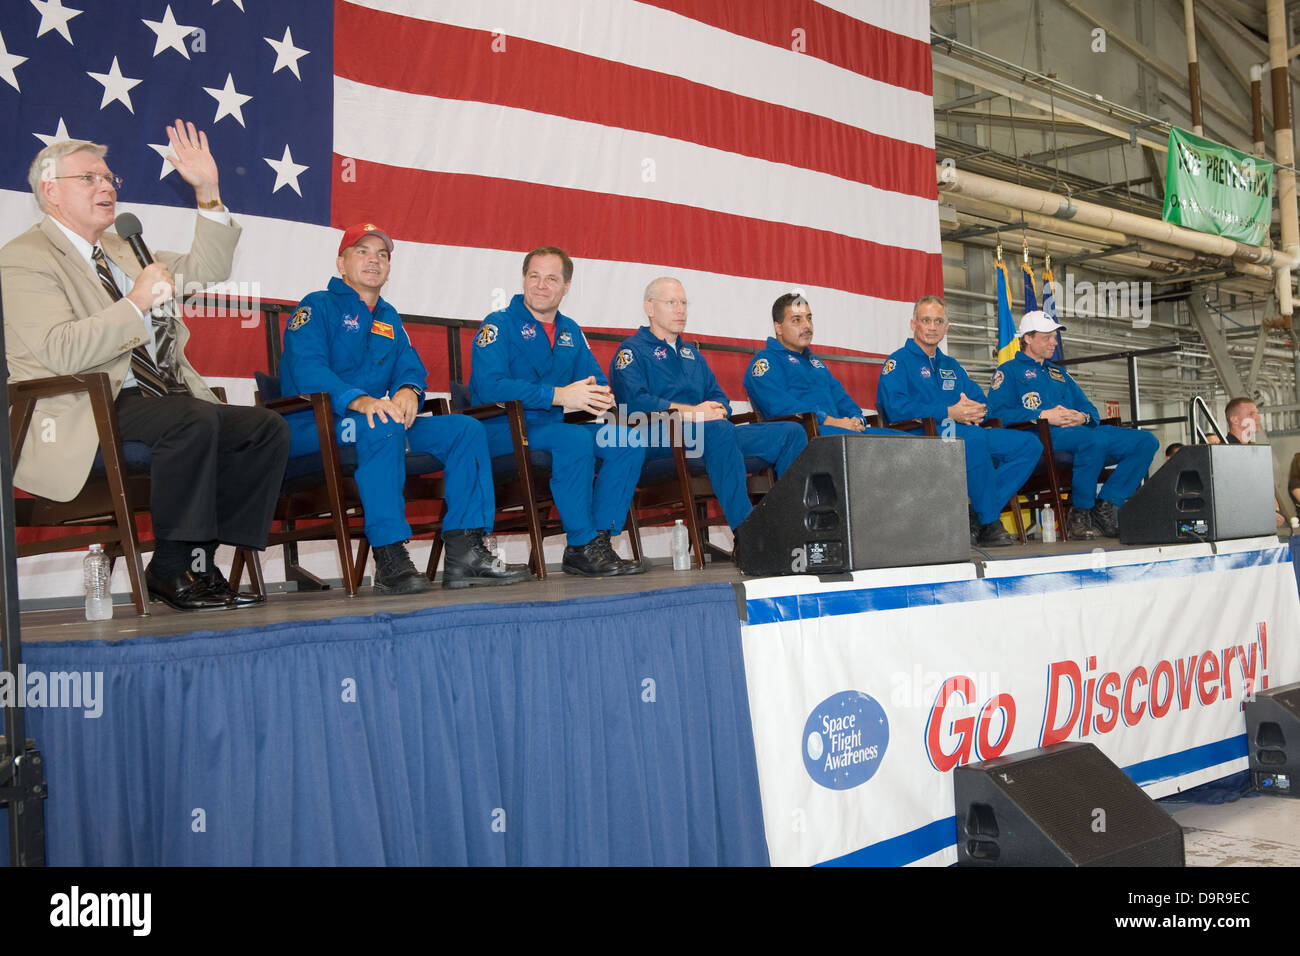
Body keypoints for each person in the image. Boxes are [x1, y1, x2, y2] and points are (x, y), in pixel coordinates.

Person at [0, 121, 289, 611]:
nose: (107, 186)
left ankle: (200, 561)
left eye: (110, 178)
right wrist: (135, 303)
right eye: (89, 178)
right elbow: (59, 352)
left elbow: (207, 269)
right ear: (50, 191)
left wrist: (209, 192)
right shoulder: (23, 259)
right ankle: (170, 568)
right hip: (84, 404)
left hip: (158, 401)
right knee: (191, 420)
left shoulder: (122, 249)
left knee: (263, 428)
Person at [280, 225, 530, 593]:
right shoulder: (317, 305)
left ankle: (466, 552)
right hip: (316, 424)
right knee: (382, 426)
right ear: (341, 263)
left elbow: (410, 367)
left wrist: (409, 391)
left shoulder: (387, 316)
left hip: (377, 422)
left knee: (465, 430)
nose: (374, 260)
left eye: (382, 255)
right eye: (362, 251)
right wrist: (358, 399)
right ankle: (390, 554)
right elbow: (308, 370)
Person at [469, 247, 646, 576]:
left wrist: (600, 395)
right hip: (504, 429)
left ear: (566, 286)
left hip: (553, 427)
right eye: (534, 276)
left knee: (628, 439)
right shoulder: (499, 324)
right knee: (575, 439)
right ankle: (581, 543)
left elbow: (598, 381)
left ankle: (599, 540)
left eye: (551, 278)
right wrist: (559, 395)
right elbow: (490, 386)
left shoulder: (570, 331)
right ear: (523, 279)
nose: (540, 285)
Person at [610, 278, 807, 532]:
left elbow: (718, 395)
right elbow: (635, 403)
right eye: (671, 303)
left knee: (790, 433)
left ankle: (792, 527)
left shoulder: (692, 354)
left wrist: (719, 409)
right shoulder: (632, 351)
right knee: (719, 431)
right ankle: (747, 533)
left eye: (683, 303)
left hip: (708, 435)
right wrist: (693, 414)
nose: (680, 309)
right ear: (650, 308)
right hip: (658, 437)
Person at [875, 296, 1042, 547]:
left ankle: (975, 515)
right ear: (913, 324)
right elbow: (897, 410)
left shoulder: (952, 365)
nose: (932, 327)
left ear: (946, 327)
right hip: (923, 435)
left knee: (1029, 444)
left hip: (963, 431)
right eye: (926, 320)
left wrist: (977, 411)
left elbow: (981, 401)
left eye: (938, 321)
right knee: (972, 439)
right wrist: (948, 412)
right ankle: (989, 521)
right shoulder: (897, 362)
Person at [988, 311, 1159, 539]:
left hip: (1082, 432)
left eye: (1055, 336)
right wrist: (1043, 414)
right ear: (1027, 338)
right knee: (1094, 441)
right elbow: (996, 414)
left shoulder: (1059, 373)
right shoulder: (1007, 372)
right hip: (1043, 436)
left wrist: (1082, 417)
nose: (1054, 342)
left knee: (1146, 441)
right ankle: (1080, 512)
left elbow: (1092, 412)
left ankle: (1107, 505)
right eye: (1047, 337)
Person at [744, 293, 900, 437]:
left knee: (904, 441)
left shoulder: (816, 363)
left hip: (840, 432)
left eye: (809, 318)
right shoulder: (765, 363)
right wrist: (832, 422)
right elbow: (781, 408)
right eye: (797, 320)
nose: (807, 326)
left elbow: (843, 400)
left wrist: (856, 420)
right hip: (806, 436)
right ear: (778, 328)